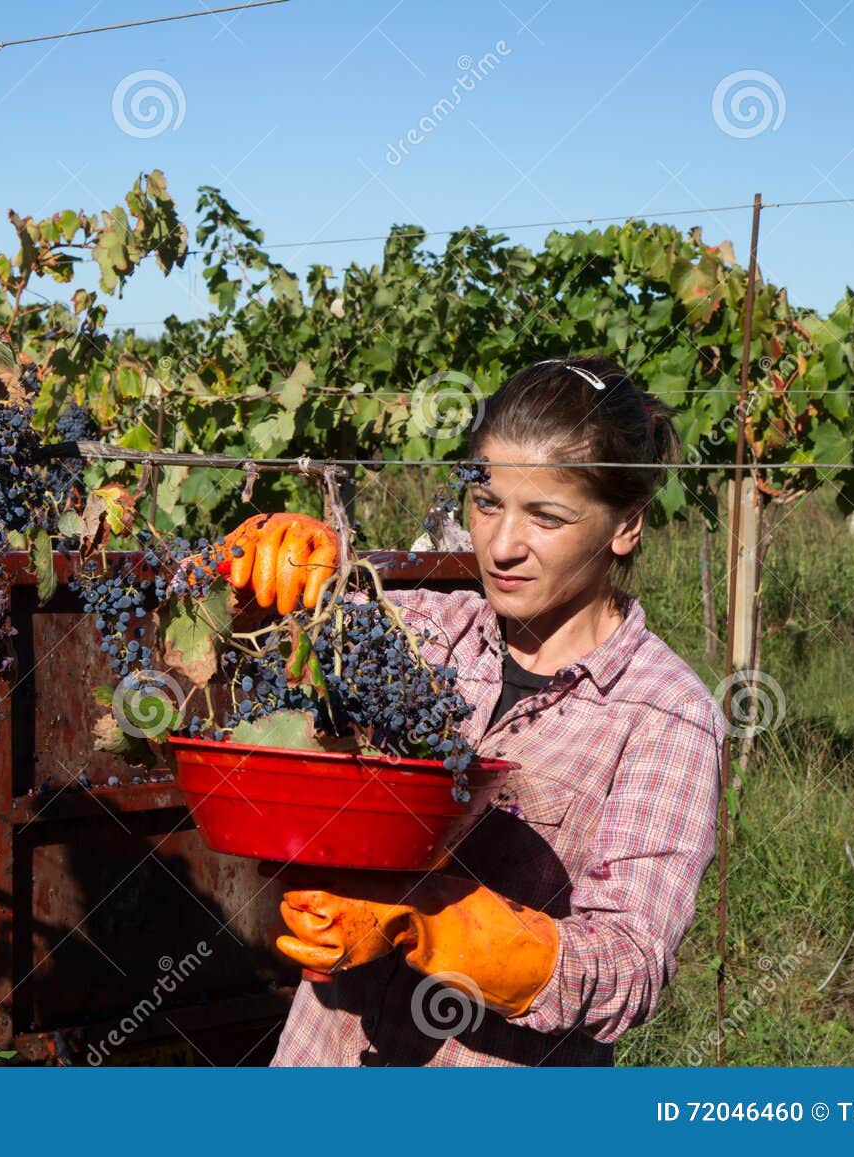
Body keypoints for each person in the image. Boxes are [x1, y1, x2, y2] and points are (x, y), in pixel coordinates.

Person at [219, 355, 725, 1066]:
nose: (502, 544)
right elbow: (255, 669)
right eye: (486, 503)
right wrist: (255, 577)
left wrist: (427, 925)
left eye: (545, 516)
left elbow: (630, 966)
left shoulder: (664, 713)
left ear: (627, 525)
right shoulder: (418, 632)